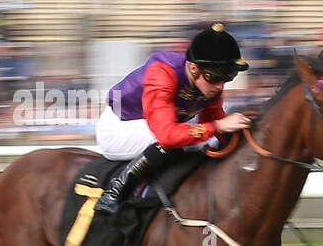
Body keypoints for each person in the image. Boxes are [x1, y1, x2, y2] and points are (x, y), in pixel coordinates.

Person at [94, 23, 252, 214]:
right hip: (121, 127)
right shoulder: (162, 76)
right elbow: (167, 136)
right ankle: (115, 191)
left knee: (206, 141)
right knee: (177, 143)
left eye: (227, 78)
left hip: (159, 124)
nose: (220, 86)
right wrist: (218, 126)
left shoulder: (209, 84)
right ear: (193, 68)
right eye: (215, 78)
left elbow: (213, 118)